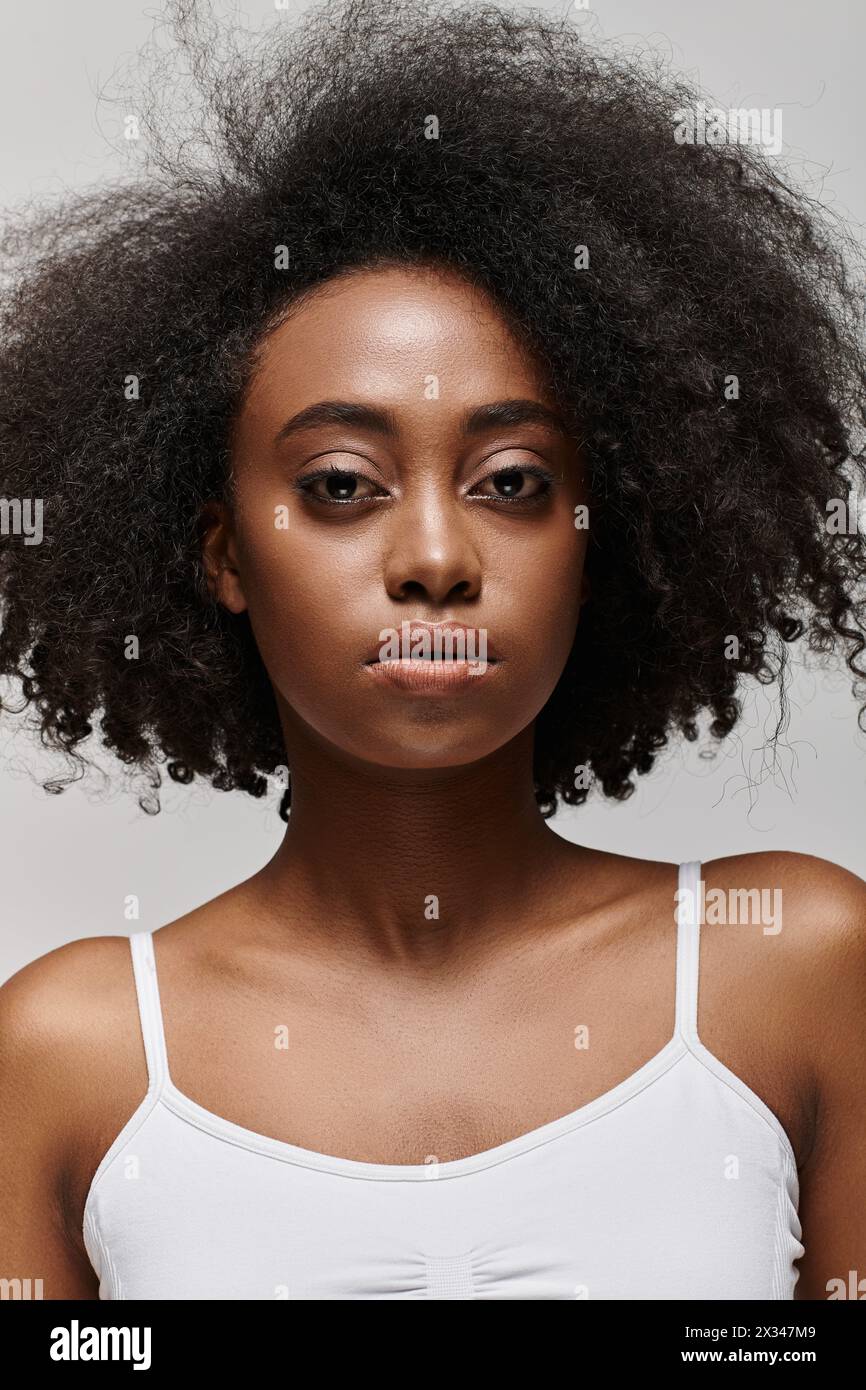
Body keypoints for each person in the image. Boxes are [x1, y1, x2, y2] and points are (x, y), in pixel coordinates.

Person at [0, 0, 864, 1300]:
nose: (436, 558)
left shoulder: (796, 959)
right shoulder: (70, 1049)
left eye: (510, 480)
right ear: (223, 552)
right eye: (342, 484)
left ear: (597, 530)